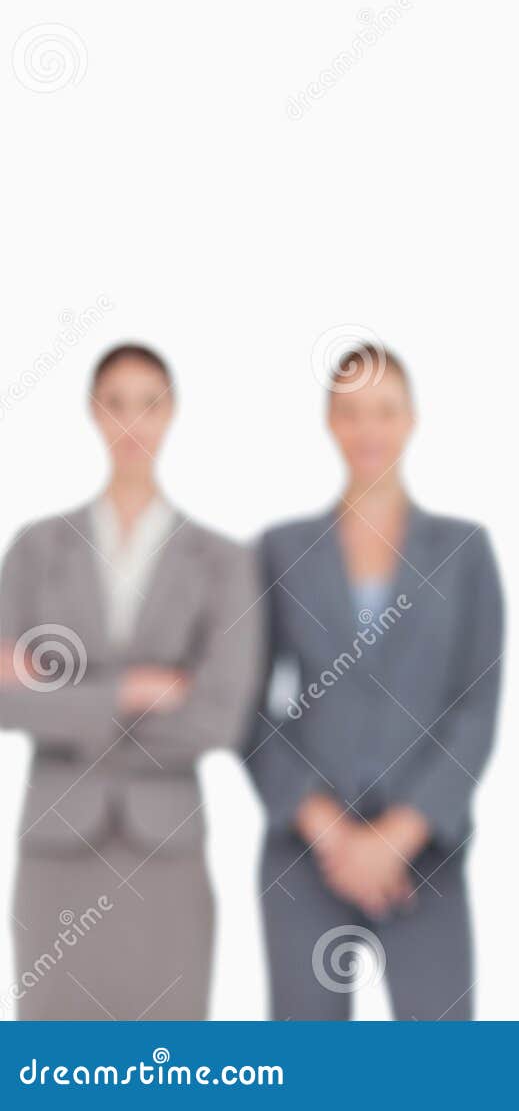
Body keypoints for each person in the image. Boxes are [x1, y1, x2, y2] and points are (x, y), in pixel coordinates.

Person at [0, 343, 262, 1019]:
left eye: (149, 404)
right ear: (94, 412)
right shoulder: (37, 548)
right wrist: (128, 691)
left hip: (165, 849)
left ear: (171, 413)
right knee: (56, 1054)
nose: (132, 423)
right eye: (116, 404)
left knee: (168, 1052)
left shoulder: (221, 560)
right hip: (56, 847)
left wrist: (62, 696)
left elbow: (218, 717)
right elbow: (5, 700)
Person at [247, 343, 503, 1020]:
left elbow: (477, 707)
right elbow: (249, 705)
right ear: (330, 422)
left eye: (385, 410)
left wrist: (397, 835)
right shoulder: (281, 549)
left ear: (411, 419)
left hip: (426, 850)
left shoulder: (463, 551)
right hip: (306, 850)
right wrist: (329, 830)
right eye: (351, 412)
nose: (369, 429)